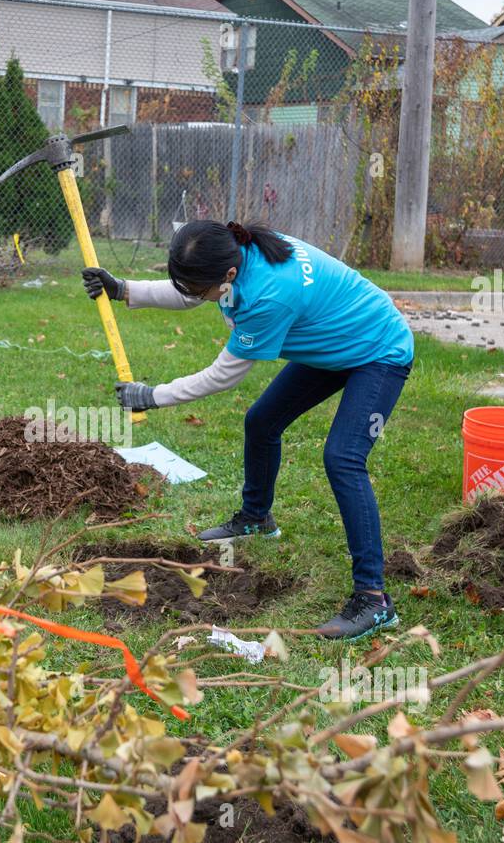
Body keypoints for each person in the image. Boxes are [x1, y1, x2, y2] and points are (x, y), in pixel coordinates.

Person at [82, 220, 415, 641]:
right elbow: (193, 291)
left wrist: (153, 395)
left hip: (378, 350)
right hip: (335, 345)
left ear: (229, 275)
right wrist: (125, 289)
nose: (193, 294)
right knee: (262, 421)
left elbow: (221, 376)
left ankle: (374, 600)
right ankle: (256, 519)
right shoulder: (235, 252)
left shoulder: (269, 296)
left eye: (197, 287)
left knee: (343, 457)